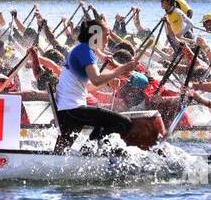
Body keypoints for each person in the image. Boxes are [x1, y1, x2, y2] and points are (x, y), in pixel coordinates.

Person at [52, 17, 145, 151]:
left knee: (60, 152)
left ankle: (89, 153)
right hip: (72, 110)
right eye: (107, 35)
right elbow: (96, 79)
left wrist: (107, 82)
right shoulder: (85, 50)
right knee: (123, 122)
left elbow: (88, 86)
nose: (109, 39)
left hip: (68, 110)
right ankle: (91, 156)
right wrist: (123, 68)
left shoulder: (81, 49)